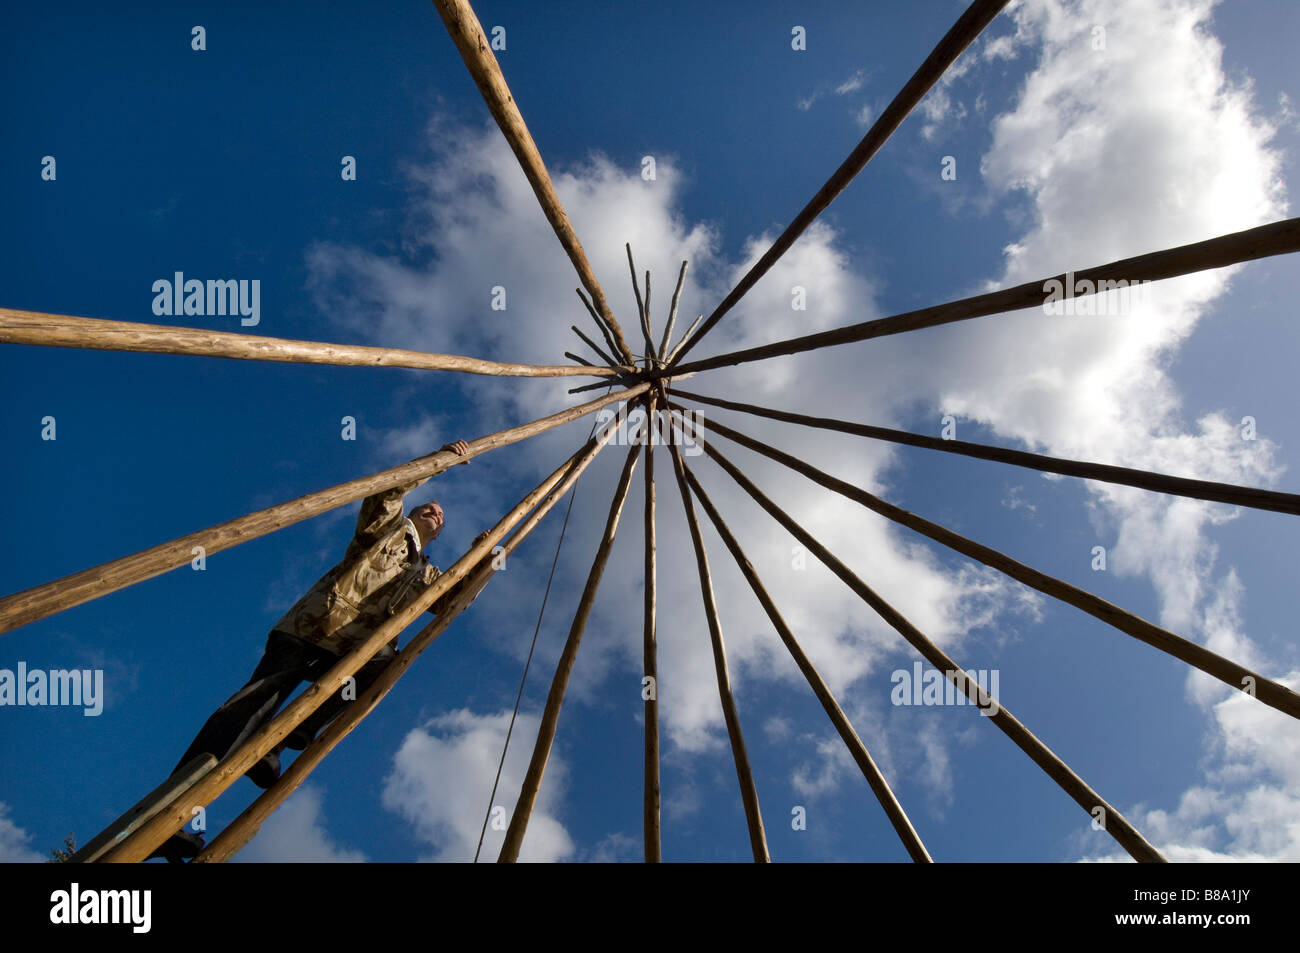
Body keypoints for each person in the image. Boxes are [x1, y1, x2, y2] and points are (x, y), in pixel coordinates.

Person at [152, 440, 484, 861]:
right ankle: (172, 815)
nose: (434, 512)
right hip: (314, 626)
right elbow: (386, 491)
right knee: (248, 710)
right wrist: (437, 463)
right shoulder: (387, 529)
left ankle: (287, 739)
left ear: (440, 532)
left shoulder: (426, 573)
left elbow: (451, 601)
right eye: (429, 507)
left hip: (350, 652)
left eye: (440, 515)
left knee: (382, 665)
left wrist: (481, 559)